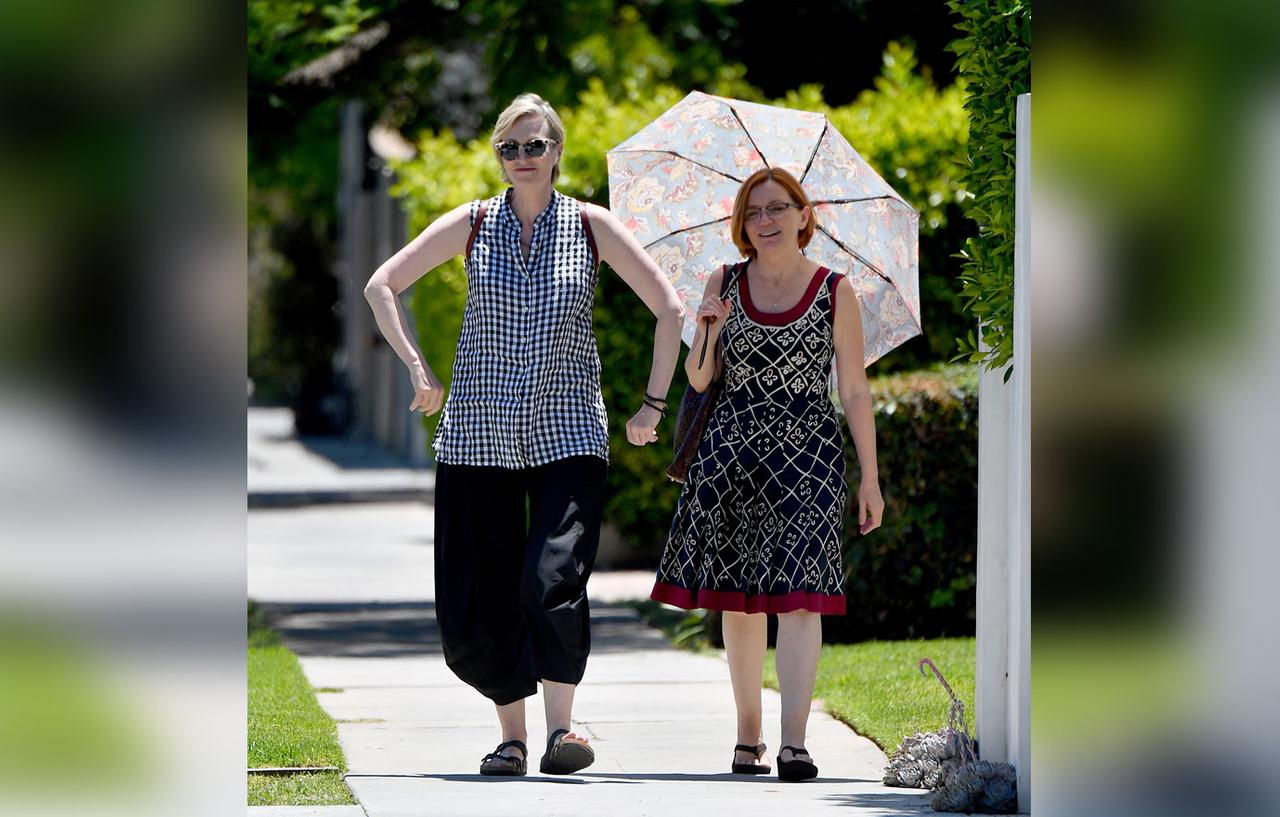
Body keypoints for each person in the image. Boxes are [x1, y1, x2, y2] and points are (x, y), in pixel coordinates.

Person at [364, 93, 684, 777]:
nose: (521, 159)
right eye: (509, 148)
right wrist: (418, 366)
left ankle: (562, 732)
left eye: (534, 146)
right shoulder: (475, 223)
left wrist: (653, 404)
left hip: (568, 428)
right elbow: (382, 285)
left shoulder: (592, 227)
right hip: (479, 431)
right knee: (484, 591)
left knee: (551, 578)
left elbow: (669, 306)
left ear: (557, 151)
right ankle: (511, 736)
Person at [650, 167, 884, 782]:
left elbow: (855, 391)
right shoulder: (722, 281)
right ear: (742, 223)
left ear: (805, 215)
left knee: (802, 602)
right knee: (742, 604)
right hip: (731, 457)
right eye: (754, 212)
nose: (767, 220)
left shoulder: (837, 290)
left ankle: (795, 743)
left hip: (808, 458)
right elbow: (700, 380)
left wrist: (870, 479)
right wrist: (707, 326)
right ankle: (748, 733)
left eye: (779, 208)